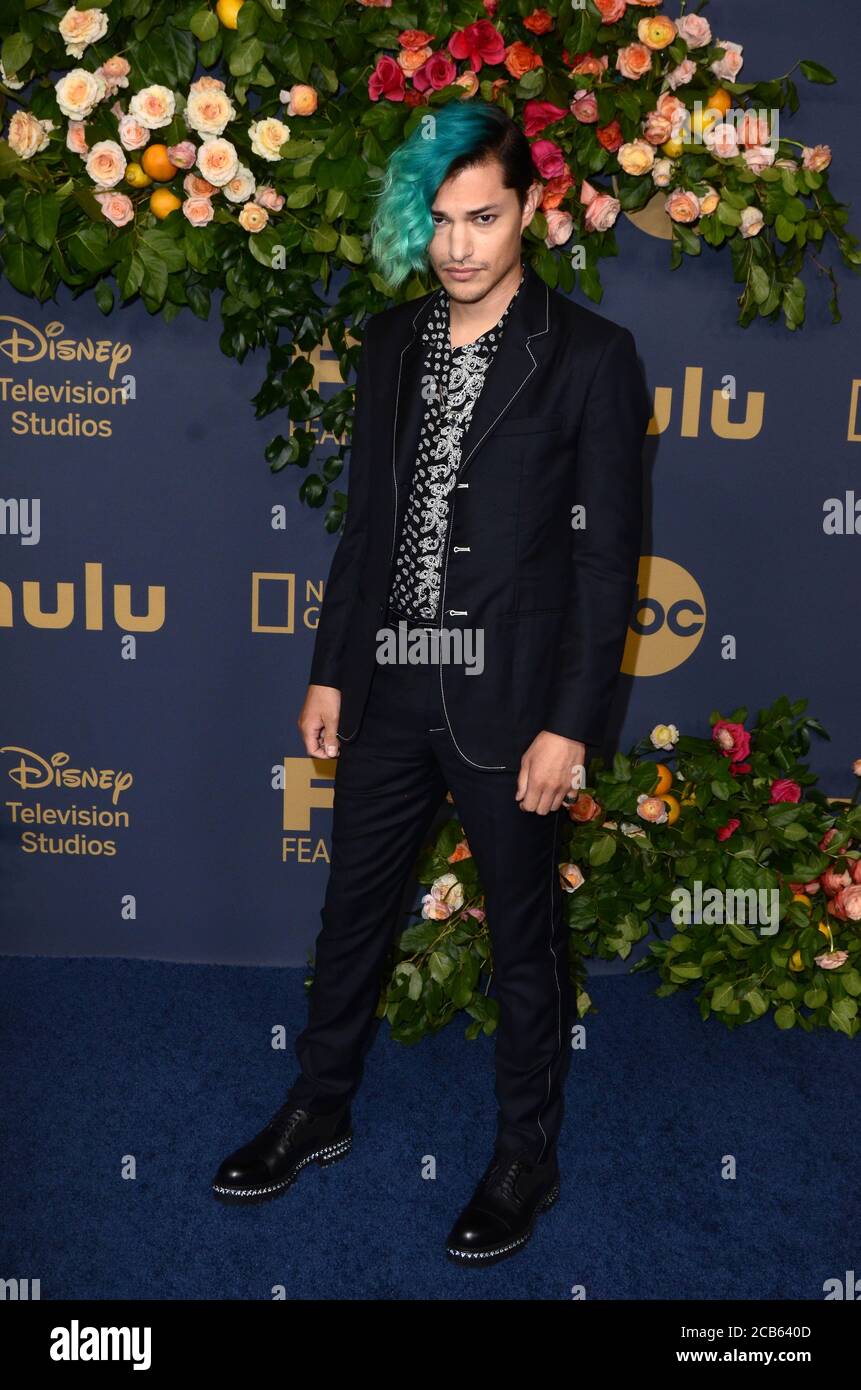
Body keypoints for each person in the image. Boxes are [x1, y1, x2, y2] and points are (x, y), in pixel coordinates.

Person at [213, 101, 650, 1266]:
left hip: (513, 698)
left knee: (523, 936)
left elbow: (607, 561)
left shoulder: (594, 357)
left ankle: (526, 1155)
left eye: (484, 218)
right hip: (396, 679)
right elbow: (368, 524)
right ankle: (320, 1105)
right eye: (441, 221)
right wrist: (332, 671)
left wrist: (571, 723)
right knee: (351, 907)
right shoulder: (389, 342)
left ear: (531, 213)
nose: (459, 245)